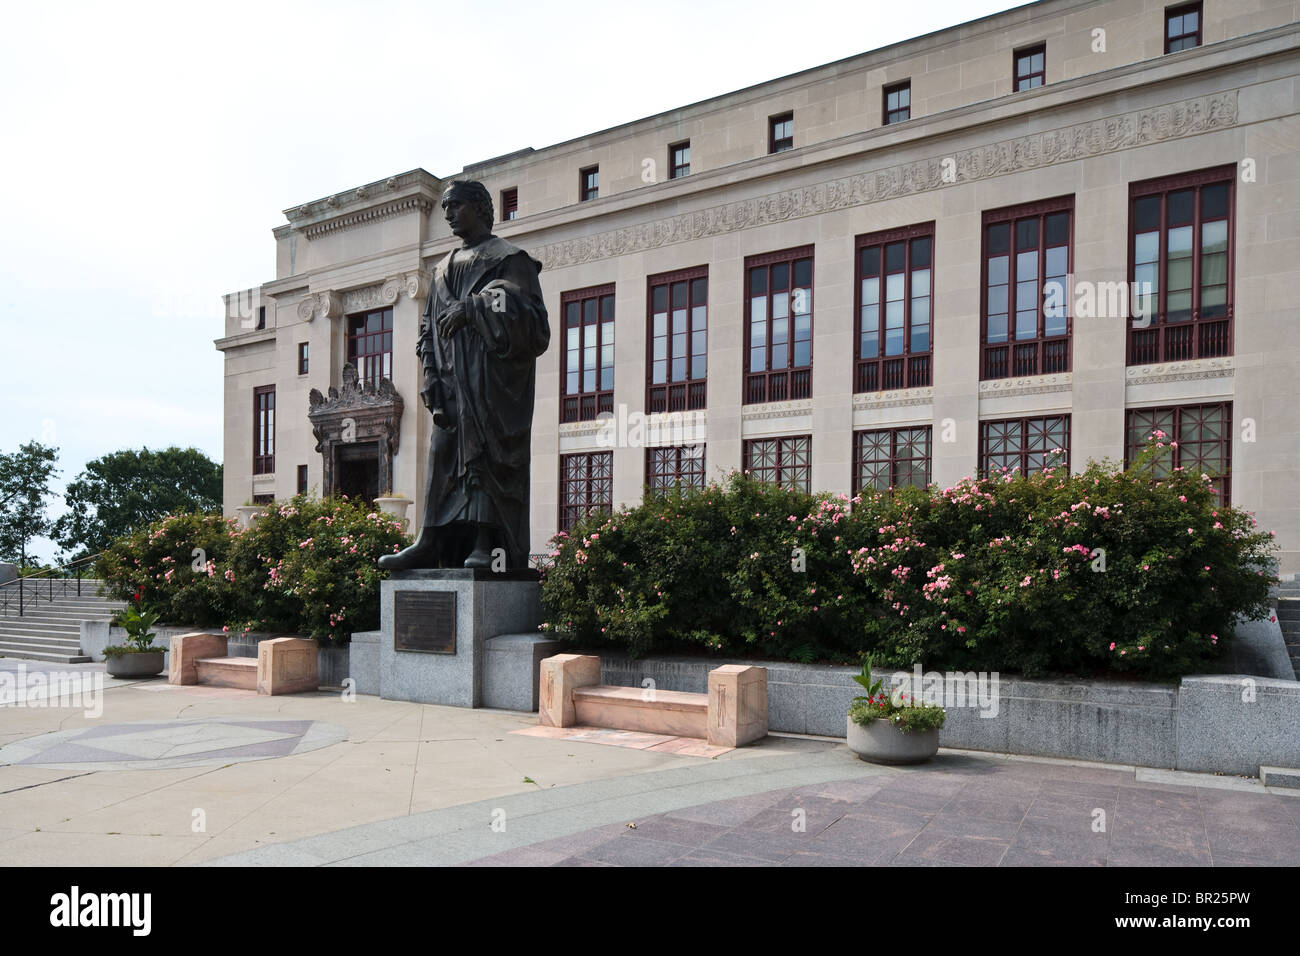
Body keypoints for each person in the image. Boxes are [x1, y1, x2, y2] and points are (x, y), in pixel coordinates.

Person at [379, 180, 550, 570]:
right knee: (441, 458)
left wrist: (476, 308)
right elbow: (428, 330)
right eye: (445, 209)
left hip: (489, 386)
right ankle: (430, 539)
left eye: (456, 206)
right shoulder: (440, 270)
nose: (448, 215)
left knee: (483, 459)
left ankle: (487, 542)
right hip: (452, 385)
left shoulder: (510, 259)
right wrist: (430, 377)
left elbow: (534, 322)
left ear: (480, 207)